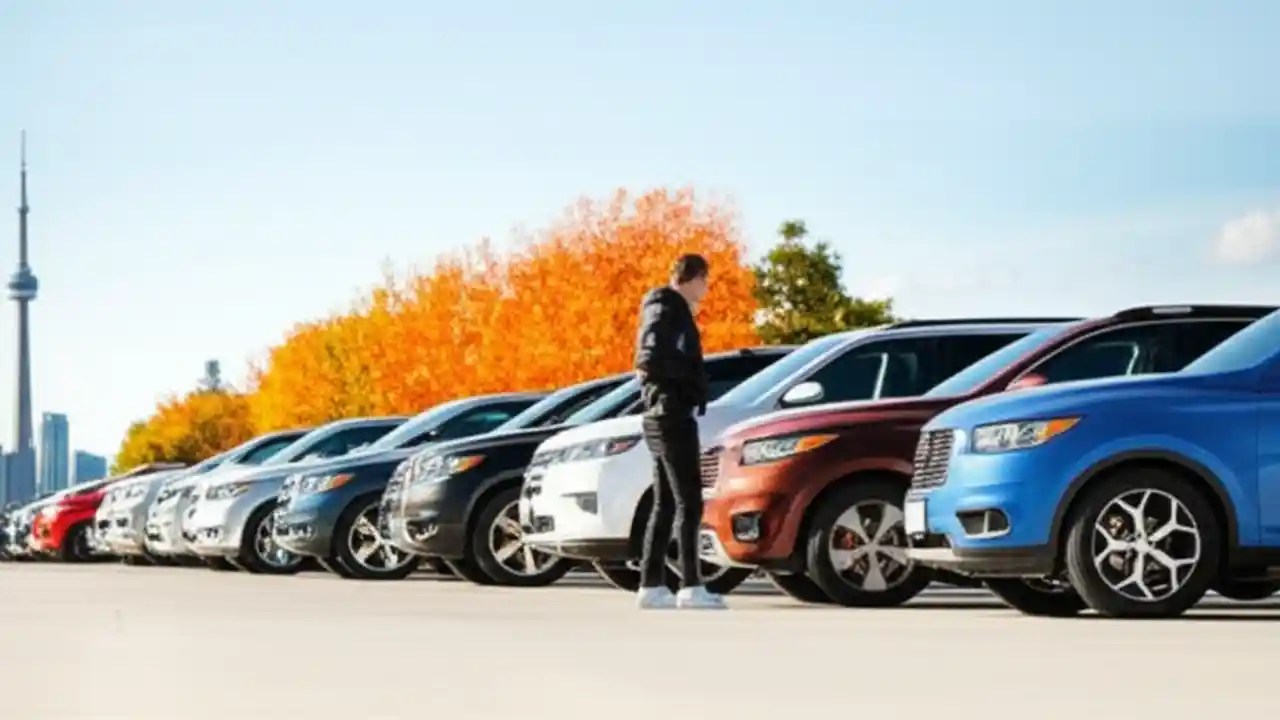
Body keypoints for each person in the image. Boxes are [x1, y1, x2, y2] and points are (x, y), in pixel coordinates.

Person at [632, 254, 726, 610]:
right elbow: (649, 358)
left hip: (662, 415)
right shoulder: (666, 307)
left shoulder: (666, 308)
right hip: (671, 416)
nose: (706, 289)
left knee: (667, 502)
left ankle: (651, 585)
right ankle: (691, 586)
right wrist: (683, 386)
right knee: (689, 501)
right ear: (694, 277)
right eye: (705, 281)